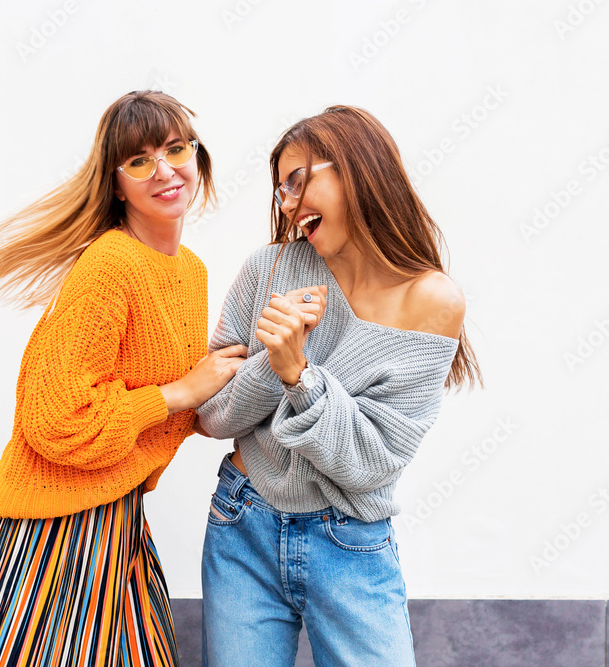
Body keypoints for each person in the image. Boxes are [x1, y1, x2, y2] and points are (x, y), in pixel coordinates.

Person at [0, 90, 246, 667]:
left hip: (116, 521)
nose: (164, 170)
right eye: (139, 161)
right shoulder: (110, 264)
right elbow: (58, 421)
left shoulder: (190, 272)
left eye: (175, 149)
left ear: (197, 156)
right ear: (117, 183)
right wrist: (182, 392)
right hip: (48, 531)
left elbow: (181, 410)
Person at [195, 105, 482, 666]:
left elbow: (372, 463)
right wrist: (271, 363)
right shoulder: (269, 269)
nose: (290, 203)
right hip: (243, 526)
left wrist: (299, 375)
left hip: (350, 542)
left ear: (358, 169)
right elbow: (210, 416)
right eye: (282, 190)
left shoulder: (430, 301)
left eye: (301, 180)